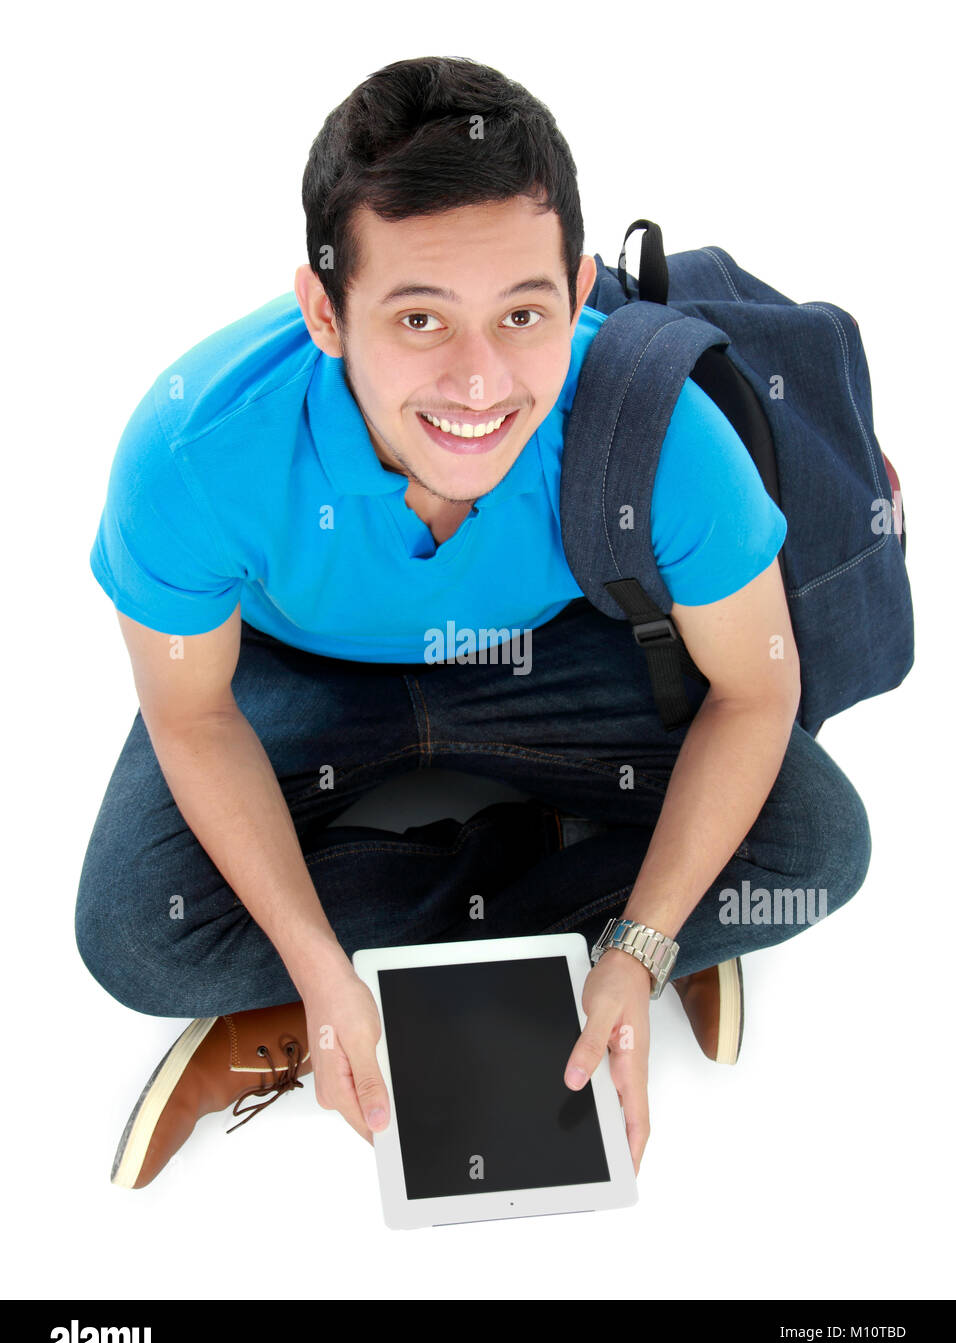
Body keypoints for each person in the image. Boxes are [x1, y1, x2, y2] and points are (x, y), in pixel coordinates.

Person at [75, 55, 871, 1192]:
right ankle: (557, 885)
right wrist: (317, 970)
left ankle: (615, 922)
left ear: (576, 286)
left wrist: (640, 951)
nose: (479, 381)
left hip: (546, 659)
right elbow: (192, 717)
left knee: (815, 842)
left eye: (522, 312)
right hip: (304, 669)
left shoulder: (663, 434)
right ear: (323, 311)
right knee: (136, 933)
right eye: (417, 317)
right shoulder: (191, 451)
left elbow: (757, 691)